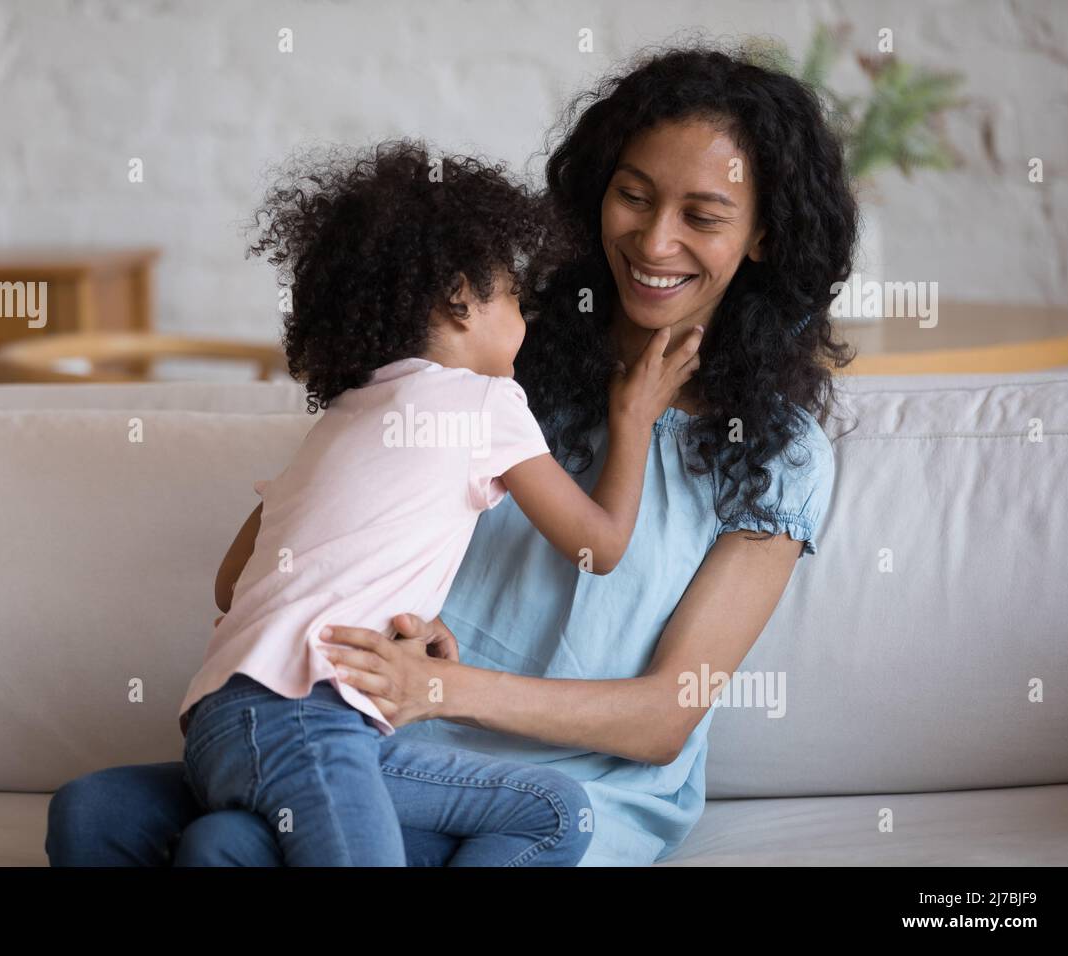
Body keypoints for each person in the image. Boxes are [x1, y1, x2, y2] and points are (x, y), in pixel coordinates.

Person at [46, 44, 853, 867]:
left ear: (762, 237)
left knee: (229, 842)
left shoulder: (778, 455)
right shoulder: (488, 367)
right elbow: (267, 559)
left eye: (704, 216)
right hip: (379, 740)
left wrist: (442, 689)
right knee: (100, 811)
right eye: (633, 196)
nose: (654, 240)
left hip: (571, 791)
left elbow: (663, 717)